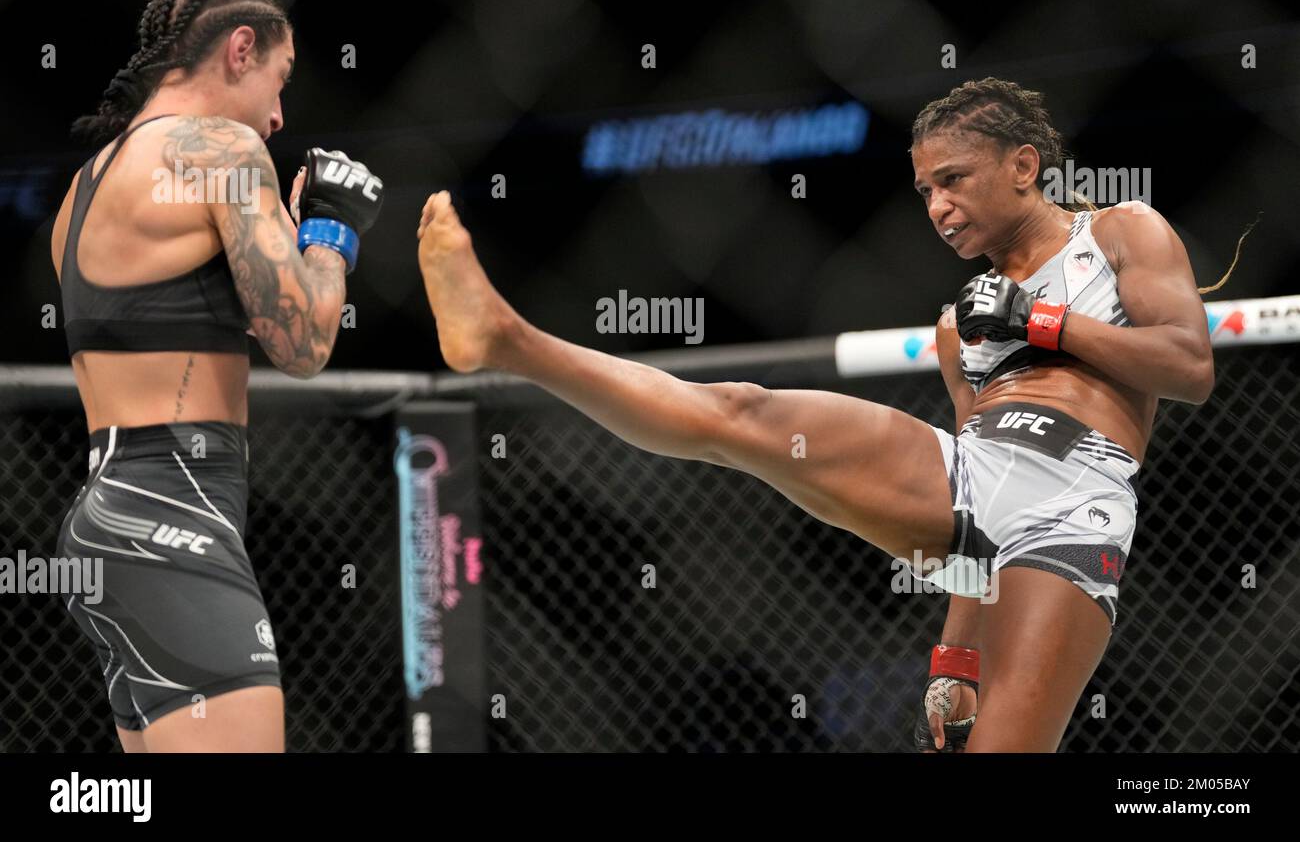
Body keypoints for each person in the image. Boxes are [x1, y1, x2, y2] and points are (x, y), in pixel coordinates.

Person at [415, 78, 1235, 752]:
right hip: (972, 475)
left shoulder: (1123, 232)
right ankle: (508, 338)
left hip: (1072, 500)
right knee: (740, 413)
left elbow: (1188, 368)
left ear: (1024, 165)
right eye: (923, 190)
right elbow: (972, 532)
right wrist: (953, 656)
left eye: (954, 180)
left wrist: (1039, 321)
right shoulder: (963, 320)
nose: (937, 206)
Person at [50, 0, 383, 752]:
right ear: (240, 49)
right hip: (172, 513)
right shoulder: (221, 151)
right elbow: (302, 343)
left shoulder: (83, 189)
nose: (276, 115)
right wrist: (332, 233)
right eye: (279, 79)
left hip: (111, 515)